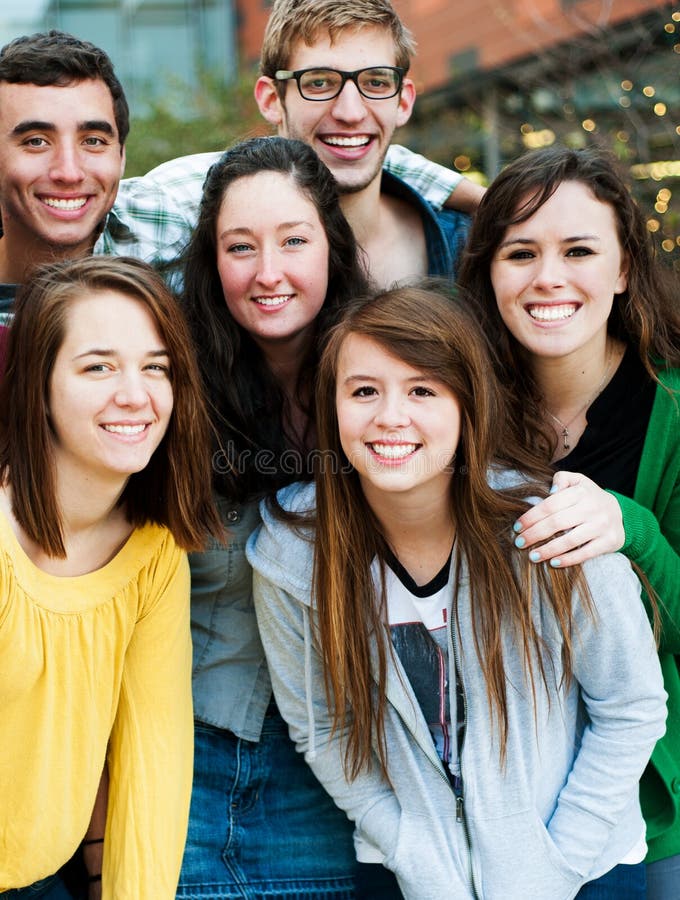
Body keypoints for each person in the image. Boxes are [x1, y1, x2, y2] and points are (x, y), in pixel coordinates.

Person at [246, 285, 667, 900]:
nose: (391, 416)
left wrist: (555, 864)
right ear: (331, 407)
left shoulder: (552, 531)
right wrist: (408, 847)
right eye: (364, 391)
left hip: (582, 871)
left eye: (423, 390)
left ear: (469, 405)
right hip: (409, 875)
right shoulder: (292, 552)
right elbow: (324, 728)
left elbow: (630, 708)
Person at [456, 144, 680, 899]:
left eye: (578, 250)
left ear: (622, 270)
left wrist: (630, 527)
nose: (548, 277)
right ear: (488, 272)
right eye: (521, 252)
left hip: (652, 812)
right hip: (499, 813)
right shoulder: (455, 409)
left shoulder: (673, 410)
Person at [177, 136, 369, 899]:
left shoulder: (394, 384)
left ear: (333, 244)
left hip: (337, 768)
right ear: (210, 258)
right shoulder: (171, 386)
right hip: (187, 760)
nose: (268, 273)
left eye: (294, 240)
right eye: (239, 246)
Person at [0, 255, 221, 898]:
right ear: (38, 387)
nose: (136, 394)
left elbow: (153, 768)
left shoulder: (152, 555)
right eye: (98, 366)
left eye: (156, 368)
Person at [145, 0, 480, 289]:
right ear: (272, 99)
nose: (350, 112)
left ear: (403, 101)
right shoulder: (193, 248)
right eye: (319, 82)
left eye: (376, 82)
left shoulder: (472, 249)